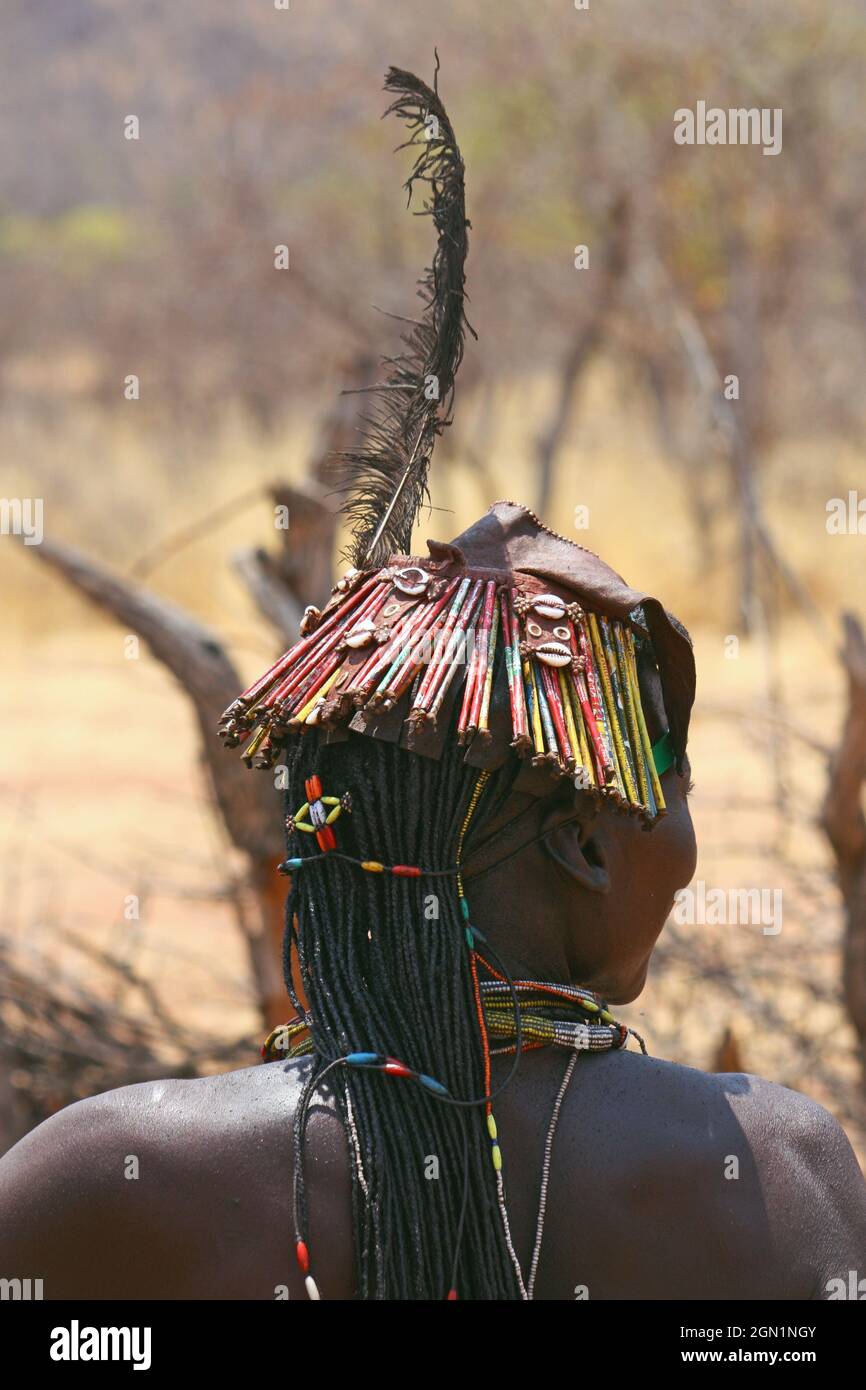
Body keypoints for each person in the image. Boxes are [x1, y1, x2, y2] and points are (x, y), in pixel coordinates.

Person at [0, 499, 864, 1301]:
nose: (683, 841)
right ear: (586, 844)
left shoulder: (101, 1177)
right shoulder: (773, 1172)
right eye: (674, 788)